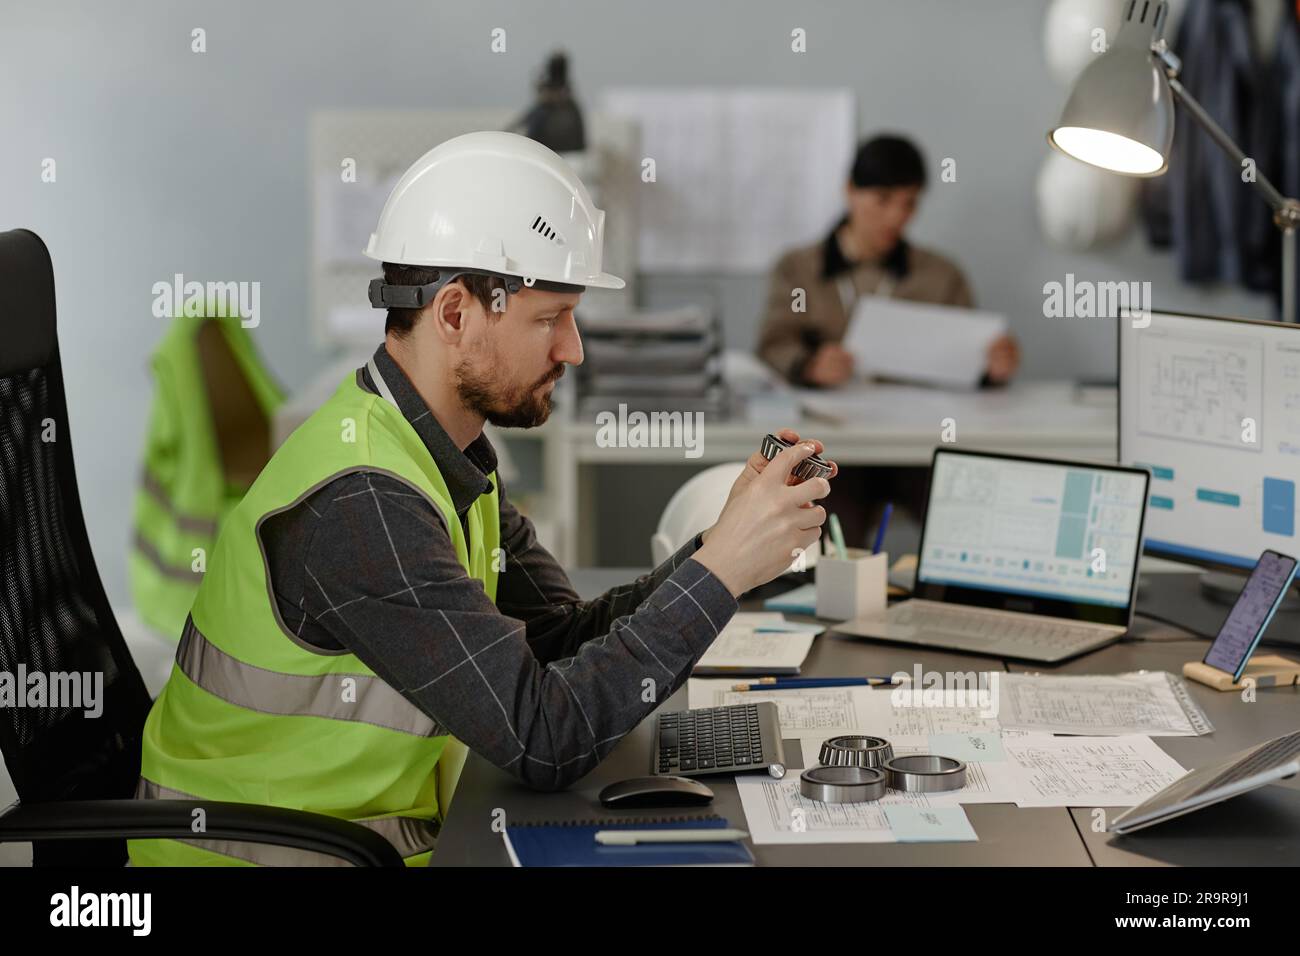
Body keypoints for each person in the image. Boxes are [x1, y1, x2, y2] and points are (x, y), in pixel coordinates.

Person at [128, 131, 834, 867]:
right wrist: (720, 571)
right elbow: (545, 738)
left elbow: (560, 642)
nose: (574, 349)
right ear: (457, 313)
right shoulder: (362, 504)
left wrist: (724, 542)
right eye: (549, 318)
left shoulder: (442, 454)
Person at [756, 134, 1018, 546]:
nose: (896, 217)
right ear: (850, 191)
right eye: (882, 199)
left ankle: (949, 607)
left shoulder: (941, 274)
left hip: (919, 444)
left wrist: (993, 367)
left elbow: (971, 361)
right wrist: (809, 364)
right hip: (835, 447)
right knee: (828, 528)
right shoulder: (798, 270)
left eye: (909, 204)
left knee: (966, 511)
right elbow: (773, 344)